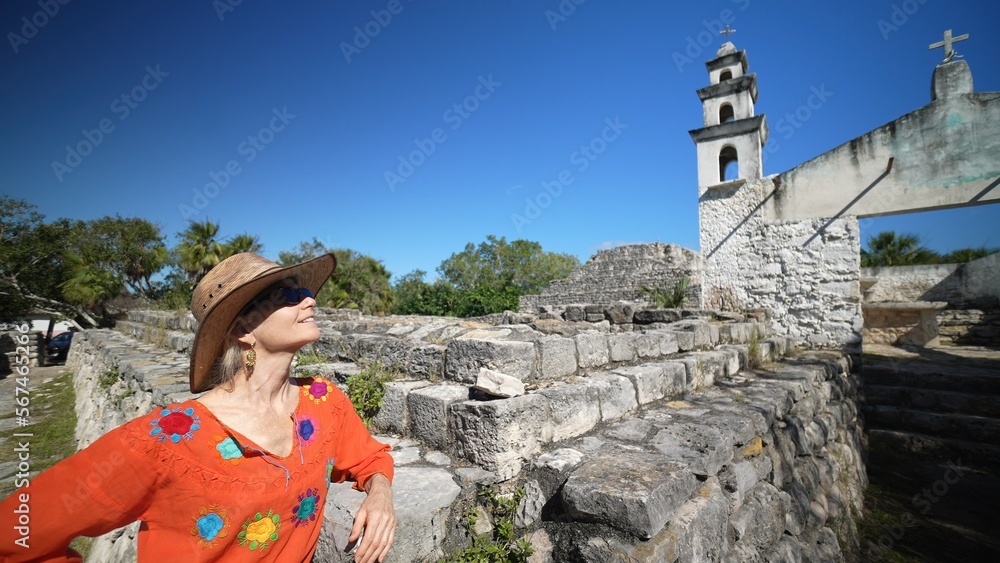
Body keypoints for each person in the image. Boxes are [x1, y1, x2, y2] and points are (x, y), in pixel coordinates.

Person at [0, 252, 396, 562]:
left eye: (303, 291)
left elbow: (369, 458)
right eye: (288, 294)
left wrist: (380, 495)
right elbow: (15, 532)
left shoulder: (323, 402)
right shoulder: (164, 441)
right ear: (244, 329)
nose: (309, 299)